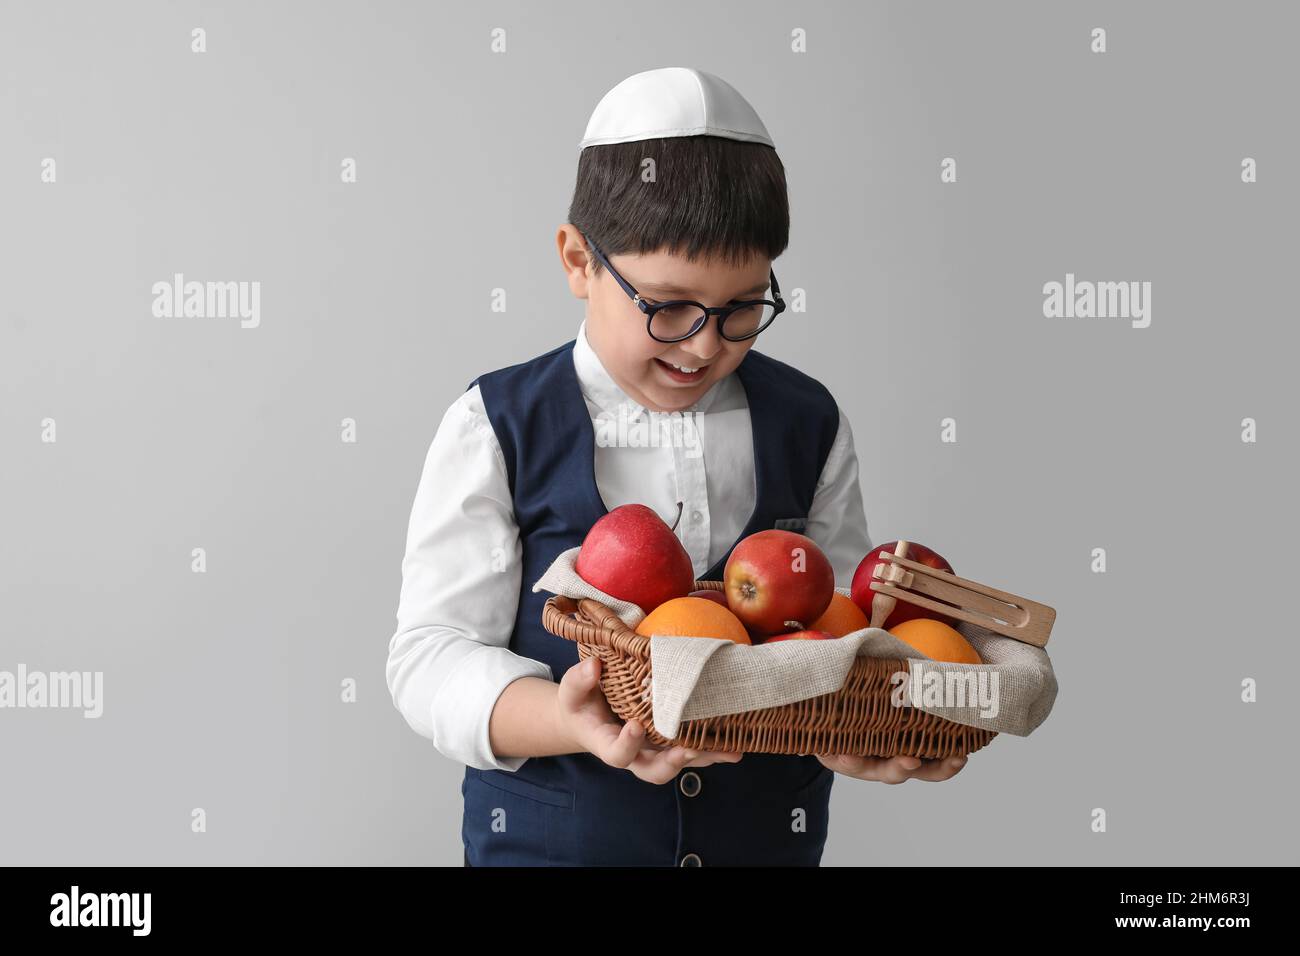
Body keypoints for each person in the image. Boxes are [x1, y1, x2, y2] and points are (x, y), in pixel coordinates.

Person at [387, 67, 966, 868]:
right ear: (578, 261)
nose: (704, 344)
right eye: (667, 306)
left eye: (742, 308)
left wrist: (861, 734)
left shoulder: (809, 422)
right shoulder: (496, 425)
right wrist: (570, 720)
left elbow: (837, 634)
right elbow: (431, 656)